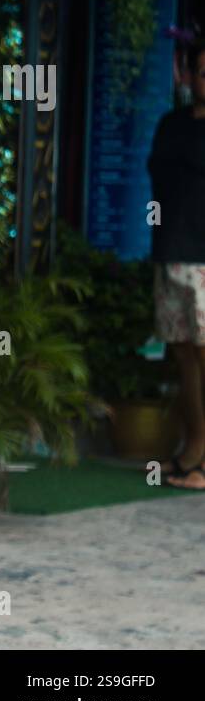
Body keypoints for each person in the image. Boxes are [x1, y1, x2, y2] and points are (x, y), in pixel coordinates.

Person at [148, 36, 205, 490]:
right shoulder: (172, 123)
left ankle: (201, 456)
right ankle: (192, 445)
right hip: (171, 250)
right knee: (183, 353)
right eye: (201, 70)